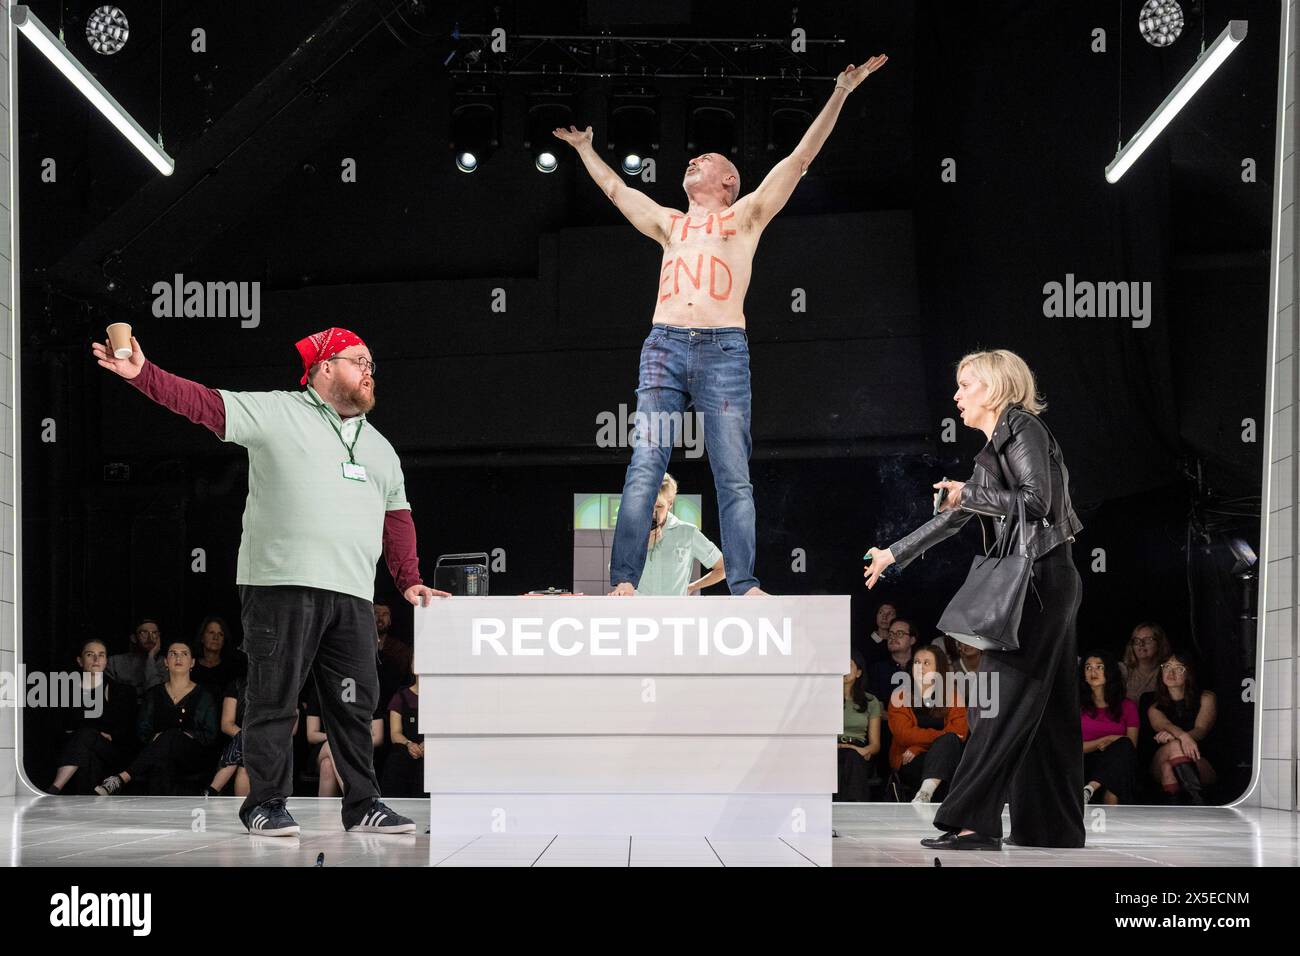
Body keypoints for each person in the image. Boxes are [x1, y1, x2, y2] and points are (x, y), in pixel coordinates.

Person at [92, 327, 450, 836]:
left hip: (351, 595)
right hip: (279, 585)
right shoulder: (277, 412)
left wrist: (408, 579)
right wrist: (142, 375)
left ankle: (365, 804)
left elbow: (397, 517)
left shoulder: (380, 448)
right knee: (274, 699)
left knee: (354, 704)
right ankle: (264, 803)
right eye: (359, 361)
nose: (370, 371)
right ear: (325, 367)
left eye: (373, 364)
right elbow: (203, 404)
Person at [553, 54, 889, 597]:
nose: (692, 160)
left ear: (729, 181)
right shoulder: (672, 223)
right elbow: (618, 191)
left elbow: (801, 158)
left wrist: (842, 91)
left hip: (723, 352)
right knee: (645, 463)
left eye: (704, 159)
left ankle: (745, 582)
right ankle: (623, 580)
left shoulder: (748, 215)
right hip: (663, 347)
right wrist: (587, 148)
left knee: (732, 470)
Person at [865, 349, 1085, 850]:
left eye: (965, 385)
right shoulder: (992, 449)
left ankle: (972, 823)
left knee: (997, 702)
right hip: (1046, 578)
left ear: (994, 388)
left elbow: (1037, 504)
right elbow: (954, 517)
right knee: (1045, 709)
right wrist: (893, 554)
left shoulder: (1022, 428)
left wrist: (969, 495)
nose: (957, 395)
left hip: (1040, 580)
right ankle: (1051, 828)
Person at [94, 642, 219, 796]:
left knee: (172, 735)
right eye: (173, 653)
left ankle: (122, 778)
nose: (178, 657)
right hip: (159, 755)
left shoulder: (204, 696)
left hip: (192, 756)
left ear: (192, 662)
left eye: (184, 654)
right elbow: (142, 730)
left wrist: (184, 735)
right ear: (166, 662)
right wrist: (156, 737)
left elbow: (211, 734)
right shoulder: (154, 693)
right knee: (162, 761)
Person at [48, 640, 136, 794]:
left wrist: (110, 735)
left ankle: (54, 789)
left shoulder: (120, 690)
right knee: (88, 754)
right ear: (80, 661)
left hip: (109, 752)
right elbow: (58, 727)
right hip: (78, 751)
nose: (96, 660)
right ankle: (90, 800)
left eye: (101, 655)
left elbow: (127, 730)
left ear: (106, 661)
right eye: (90, 655)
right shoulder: (67, 690)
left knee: (87, 734)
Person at [887, 646, 968, 804]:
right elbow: (904, 735)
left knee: (949, 744)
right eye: (917, 662)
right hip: (910, 760)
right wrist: (941, 737)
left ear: (938, 669)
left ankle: (924, 794)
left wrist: (918, 747)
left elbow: (960, 732)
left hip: (931, 754)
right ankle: (927, 797)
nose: (920, 667)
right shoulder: (900, 696)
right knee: (948, 741)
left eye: (926, 663)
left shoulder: (952, 694)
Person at [636, 474, 726, 596]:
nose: (653, 512)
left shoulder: (688, 533)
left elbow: (723, 568)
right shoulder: (633, 531)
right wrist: (643, 547)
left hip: (676, 612)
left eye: (659, 506)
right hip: (640, 611)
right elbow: (615, 571)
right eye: (648, 505)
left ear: (670, 504)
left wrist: (692, 587)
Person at [1148, 653, 1218, 805]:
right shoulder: (1154, 707)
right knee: (1173, 748)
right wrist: (1183, 738)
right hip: (1158, 762)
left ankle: (1174, 809)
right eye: (1166, 667)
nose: (1170, 673)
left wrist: (1178, 738)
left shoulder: (1206, 698)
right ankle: (1197, 803)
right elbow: (1166, 725)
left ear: (1189, 673)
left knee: (1169, 766)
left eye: (1178, 668)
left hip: (1200, 760)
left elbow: (1201, 730)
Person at [1080, 651, 1138, 805]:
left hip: (1116, 761)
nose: (1093, 672)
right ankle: (1093, 791)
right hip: (1085, 763)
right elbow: (1072, 748)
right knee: (1116, 768)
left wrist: (1114, 743)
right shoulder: (1076, 706)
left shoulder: (1127, 706)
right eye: (1088, 667)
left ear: (1109, 672)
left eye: (1099, 667)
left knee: (1123, 752)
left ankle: (1090, 789)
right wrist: (1107, 739)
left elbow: (1130, 745)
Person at [836, 651, 883, 802]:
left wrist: (862, 750)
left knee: (852, 758)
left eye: (848, 666)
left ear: (859, 673)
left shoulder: (871, 701)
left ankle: (853, 810)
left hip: (858, 749)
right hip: (831, 748)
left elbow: (875, 744)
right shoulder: (823, 697)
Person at [381, 678, 427, 798]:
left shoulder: (440, 698)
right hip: (406, 748)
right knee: (397, 759)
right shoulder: (401, 697)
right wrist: (409, 744)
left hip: (431, 748)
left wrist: (430, 743)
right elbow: (395, 733)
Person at [105, 618, 166, 701]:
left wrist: (150, 657)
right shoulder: (114, 662)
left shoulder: (165, 663)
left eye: (154, 633)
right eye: (144, 633)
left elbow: (156, 695)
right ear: (134, 638)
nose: (150, 638)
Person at [190, 616, 246, 695]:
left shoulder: (232, 670)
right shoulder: (190, 667)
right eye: (211, 632)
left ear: (223, 641)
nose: (216, 637)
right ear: (202, 638)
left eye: (221, 634)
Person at [1121, 622, 1170, 702]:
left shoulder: (1167, 671)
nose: (1141, 644)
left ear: (1159, 643)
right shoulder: (1123, 671)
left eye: (1148, 640)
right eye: (1137, 640)